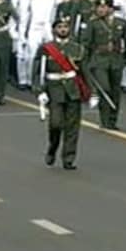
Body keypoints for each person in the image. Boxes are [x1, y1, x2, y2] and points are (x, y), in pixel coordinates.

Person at [32, 16, 89, 170]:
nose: (63, 30)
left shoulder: (77, 48)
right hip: (54, 89)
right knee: (55, 124)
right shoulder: (46, 49)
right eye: (60, 27)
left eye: (65, 27)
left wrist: (92, 93)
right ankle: (52, 147)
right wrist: (39, 91)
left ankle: (68, 158)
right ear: (54, 30)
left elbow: (85, 72)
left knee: (72, 127)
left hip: (73, 90)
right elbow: (37, 72)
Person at [81, 0, 126, 129]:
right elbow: (86, 43)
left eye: (103, 7)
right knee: (104, 88)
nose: (100, 10)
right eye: (99, 7)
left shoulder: (122, 23)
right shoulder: (93, 23)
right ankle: (104, 119)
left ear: (110, 8)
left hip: (116, 59)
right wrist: (84, 61)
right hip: (99, 60)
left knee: (115, 90)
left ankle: (112, 120)